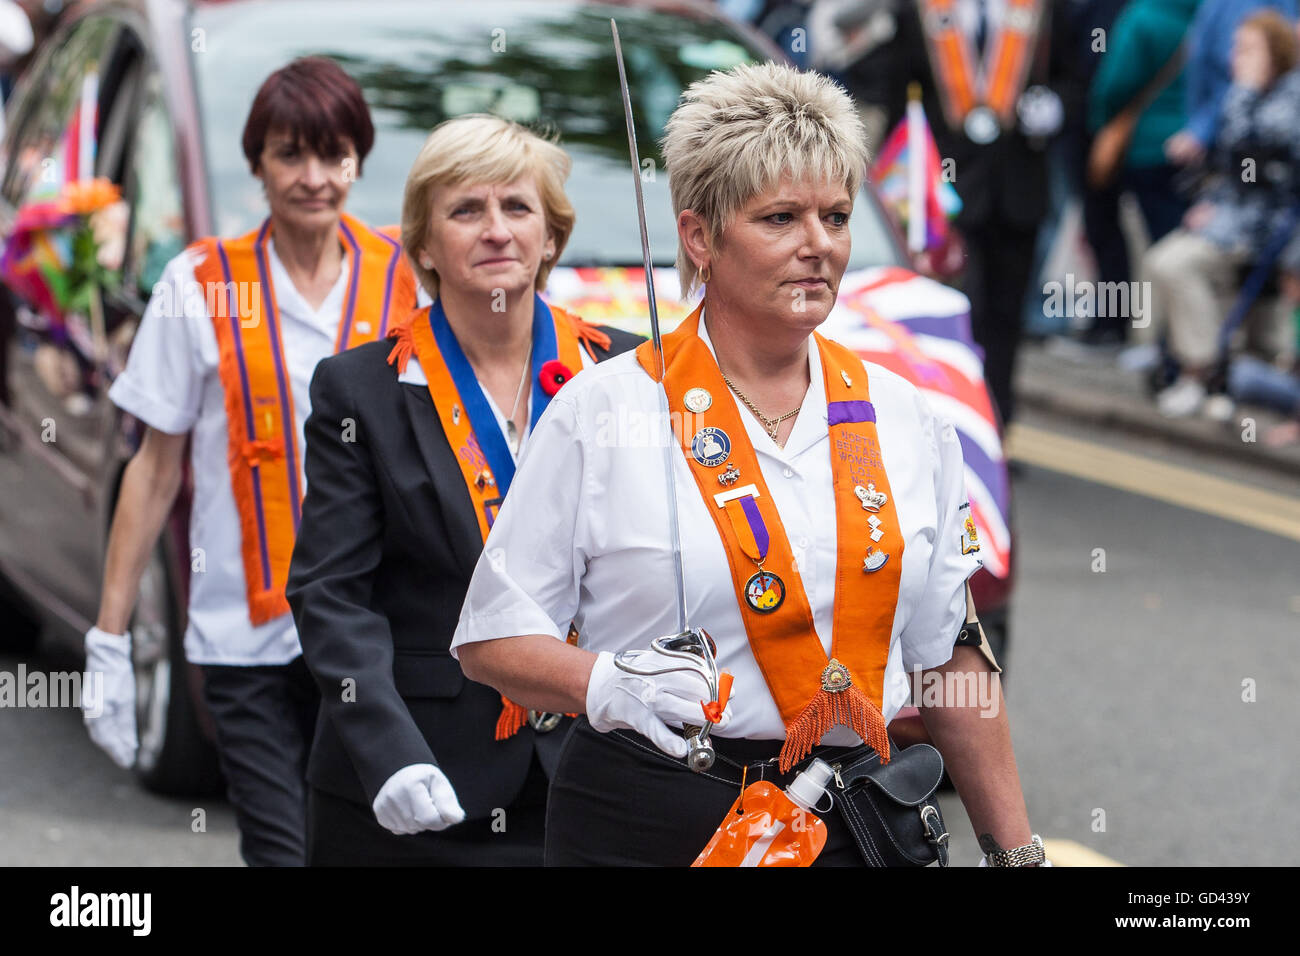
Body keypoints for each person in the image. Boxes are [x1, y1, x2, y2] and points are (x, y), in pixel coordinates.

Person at [452, 62, 1043, 867]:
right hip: (648, 819)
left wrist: (1017, 855)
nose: (818, 246)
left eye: (835, 217)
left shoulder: (908, 418)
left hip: (851, 819)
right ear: (700, 236)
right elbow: (492, 636)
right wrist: (603, 683)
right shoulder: (604, 411)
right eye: (780, 218)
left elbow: (948, 659)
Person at [80, 57, 417, 866]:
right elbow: (155, 471)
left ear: (359, 162)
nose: (313, 178)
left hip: (376, 634)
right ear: (257, 163)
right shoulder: (199, 282)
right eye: (289, 155)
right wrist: (109, 635)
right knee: (279, 851)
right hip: (244, 633)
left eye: (333, 156)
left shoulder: (409, 279)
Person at [284, 115, 643, 866]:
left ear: (551, 238)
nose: (496, 231)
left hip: (598, 768)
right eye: (465, 210)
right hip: (418, 780)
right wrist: (389, 751)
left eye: (517, 208)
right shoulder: (360, 389)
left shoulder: (629, 373)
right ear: (423, 246)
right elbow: (331, 594)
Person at [1146, 9, 1300, 417]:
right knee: (1165, 261)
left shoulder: (1289, 95)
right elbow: (1231, 169)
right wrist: (1210, 203)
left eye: (1248, 49)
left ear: (1275, 53)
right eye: (1235, 47)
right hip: (1231, 223)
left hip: (1271, 232)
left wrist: (1246, 91)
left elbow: (1261, 153)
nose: (1236, 57)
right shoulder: (1241, 91)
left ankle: (1205, 372)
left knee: (1176, 263)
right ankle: (1207, 371)